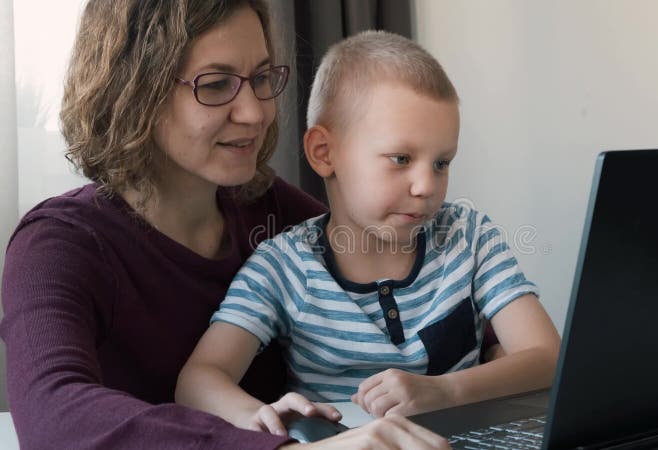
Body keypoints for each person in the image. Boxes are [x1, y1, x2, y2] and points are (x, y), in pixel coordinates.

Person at [0, 1, 450, 449]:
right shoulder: (58, 245)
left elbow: (453, 300)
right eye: (216, 85)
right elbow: (53, 416)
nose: (255, 113)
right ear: (135, 91)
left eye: (260, 78)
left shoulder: (275, 212)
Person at [176, 30, 562, 433]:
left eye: (441, 163)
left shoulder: (470, 235)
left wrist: (445, 392)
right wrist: (252, 418)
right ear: (325, 153)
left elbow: (548, 356)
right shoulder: (282, 267)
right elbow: (199, 378)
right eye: (401, 158)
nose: (426, 186)